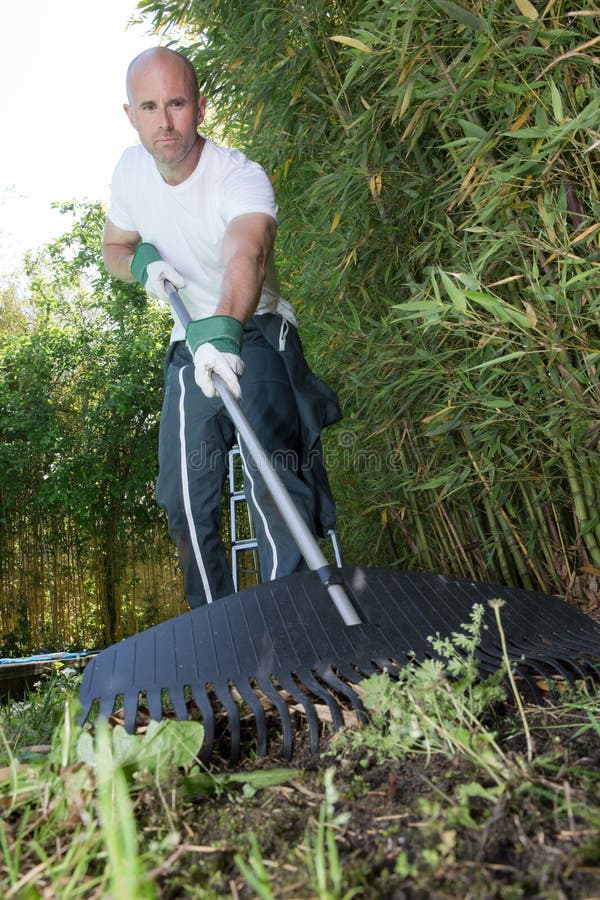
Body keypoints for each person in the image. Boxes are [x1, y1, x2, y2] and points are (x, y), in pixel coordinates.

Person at [102, 46, 341, 608]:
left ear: (201, 108)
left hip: (254, 329)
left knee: (273, 481)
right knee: (185, 496)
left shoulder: (239, 177)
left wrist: (225, 331)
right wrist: (141, 265)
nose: (165, 121)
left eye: (178, 103)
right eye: (150, 106)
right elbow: (115, 245)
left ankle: (291, 623)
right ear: (130, 114)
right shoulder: (131, 171)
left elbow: (248, 256)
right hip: (189, 344)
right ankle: (216, 628)